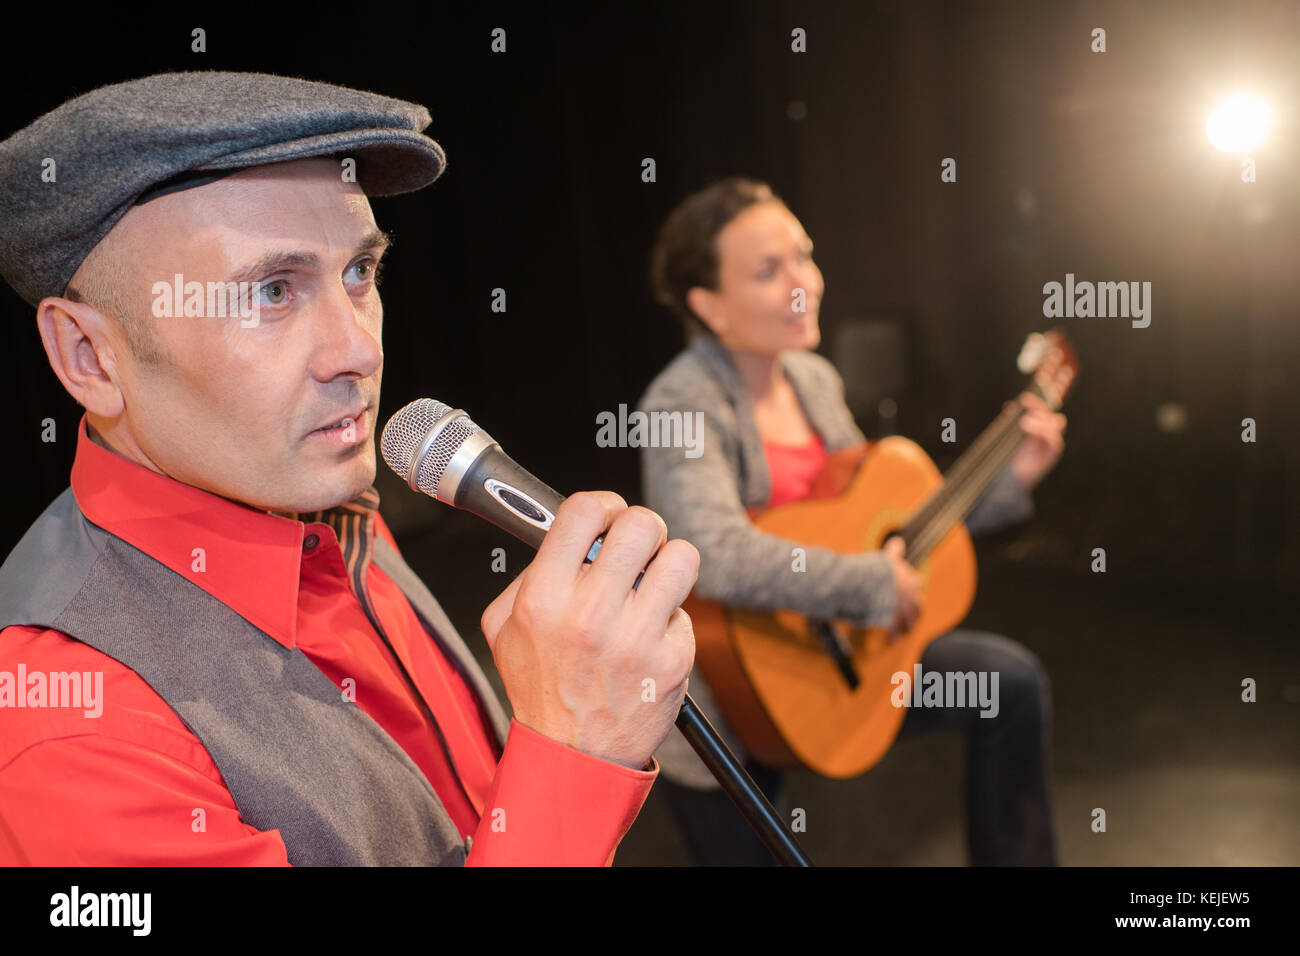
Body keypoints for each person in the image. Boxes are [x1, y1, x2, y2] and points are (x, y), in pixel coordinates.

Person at [0, 71, 698, 866]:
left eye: (360, 273)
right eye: (270, 290)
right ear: (88, 356)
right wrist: (570, 757)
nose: (361, 350)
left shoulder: (336, 508)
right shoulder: (68, 731)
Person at [638, 178, 1066, 866]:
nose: (803, 283)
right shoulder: (680, 402)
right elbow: (709, 552)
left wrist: (1011, 479)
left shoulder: (812, 380)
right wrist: (868, 584)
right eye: (768, 271)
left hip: (836, 660)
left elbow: (890, 522)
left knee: (1008, 686)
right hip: (729, 704)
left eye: (803, 257)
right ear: (709, 305)